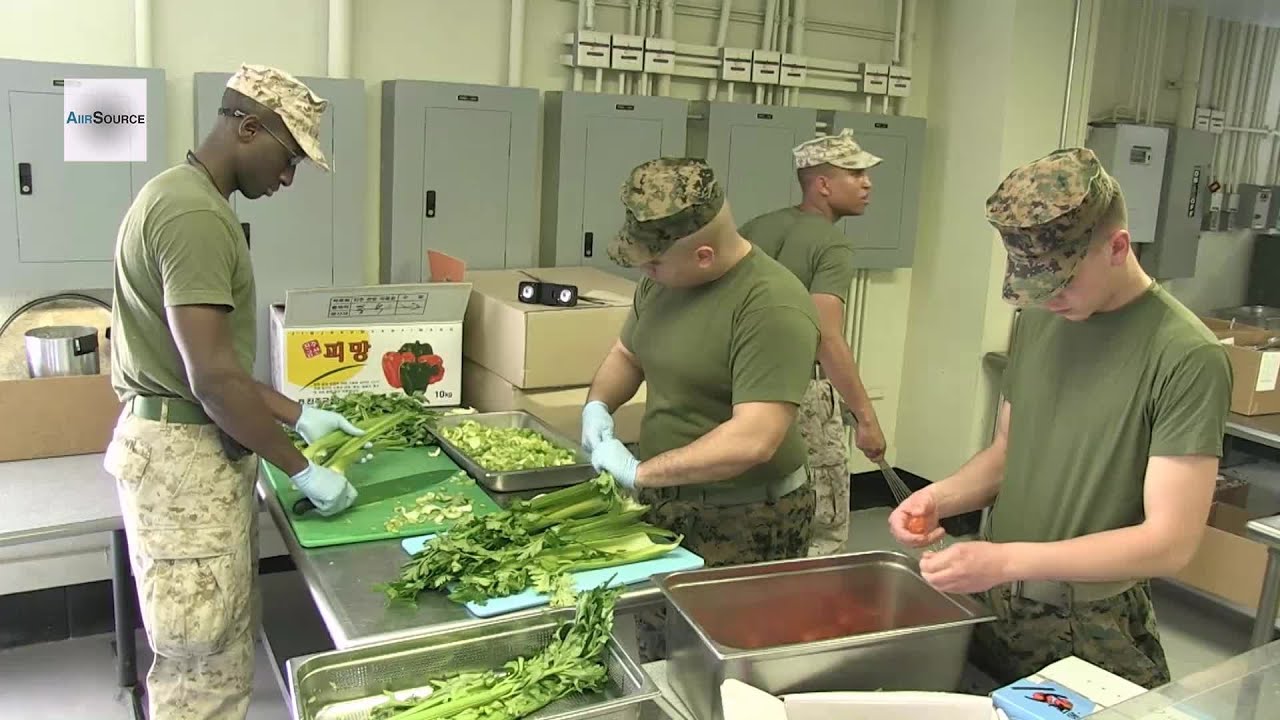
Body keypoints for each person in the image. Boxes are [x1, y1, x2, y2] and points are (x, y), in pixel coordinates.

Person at [888, 147, 1232, 689]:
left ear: (1117, 247)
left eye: (1062, 283)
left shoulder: (1186, 356)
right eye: (1034, 288)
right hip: (992, 605)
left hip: (1089, 623)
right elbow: (1007, 454)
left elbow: (1170, 542)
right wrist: (942, 497)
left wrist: (1006, 561)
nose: (1049, 301)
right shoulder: (1040, 322)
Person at [103, 64, 366, 719]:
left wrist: (300, 412)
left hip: (184, 453)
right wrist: (302, 469)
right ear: (247, 127)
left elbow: (213, 365)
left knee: (216, 651)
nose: (287, 177)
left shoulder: (183, 197)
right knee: (202, 675)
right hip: (182, 466)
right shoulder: (194, 214)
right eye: (288, 158)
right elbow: (214, 381)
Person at [579, 157, 822, 660]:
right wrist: (598, 405)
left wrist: (642, 469)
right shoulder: (663, 278)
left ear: (705, 255)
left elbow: (755, 437)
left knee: (724, 664)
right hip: (668, 502)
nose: (644, 272)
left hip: (747, 520)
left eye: (652, 263)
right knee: (662, 648)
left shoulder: (770, 305)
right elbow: (628, 353)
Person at [739, 128, 888, 557]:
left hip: (744, 386)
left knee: (764, 505)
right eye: (855, 173)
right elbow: (826, 336)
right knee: (822, 519)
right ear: (822, 184)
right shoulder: (831, 244)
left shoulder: (757, 228)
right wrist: (865, 417)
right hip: (799, 392)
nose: (867, 184)